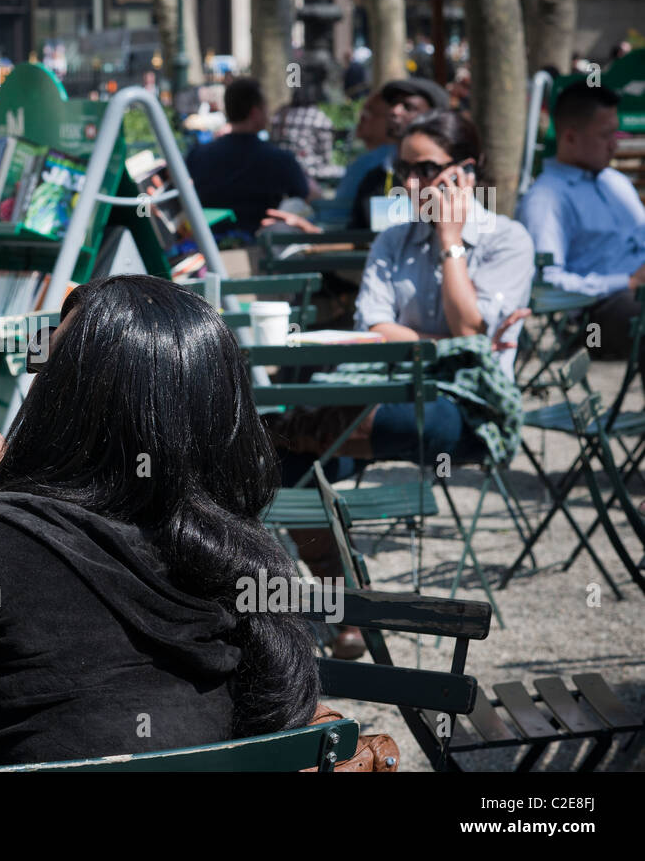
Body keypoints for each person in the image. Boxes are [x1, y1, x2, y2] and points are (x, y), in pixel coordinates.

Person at [0, 275, 322, 771]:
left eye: (47, 368)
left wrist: (6, 514)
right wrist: (14, 495)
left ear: (62, 406)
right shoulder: (241, 563)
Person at [270, 110, 534, 658]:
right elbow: (378, 329)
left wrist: (450, 240)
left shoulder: (508, 239)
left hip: (467, 411)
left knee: (298, 430)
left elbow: (468, 334)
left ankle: (302, 426)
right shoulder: (391, 240)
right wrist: (448, 342)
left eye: (426, 169)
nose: (410, 184)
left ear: (466, 170)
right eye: (403, 169)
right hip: (377, 396)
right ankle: (346, 608)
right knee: (280, 461)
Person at [519, 84, 645, 360]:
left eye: (616, 133)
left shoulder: (614, 181)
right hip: (592, 324)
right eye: (605, 135)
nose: (615, 143)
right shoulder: (546, 199)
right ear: (570, 138)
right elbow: (547, 284)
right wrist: (628, 281)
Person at [263, 77, 448, 233]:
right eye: (393, 105)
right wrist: (310, 231)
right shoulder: (374, 177)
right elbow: (357, 238)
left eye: (408, 107)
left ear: (435, 115)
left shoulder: (452, 177)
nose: (395, 111)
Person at [184, 77, 314, 243]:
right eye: (265, 107)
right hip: (261, 248)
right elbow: (303, 195)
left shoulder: (198, 155)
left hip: (206, 245)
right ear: (254, 112)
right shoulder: (279, 158)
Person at [269, 82, 336, 184]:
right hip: (309, 173)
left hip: (279, 169)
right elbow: (326, 156)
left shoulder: (280, 114)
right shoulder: (319, 118)